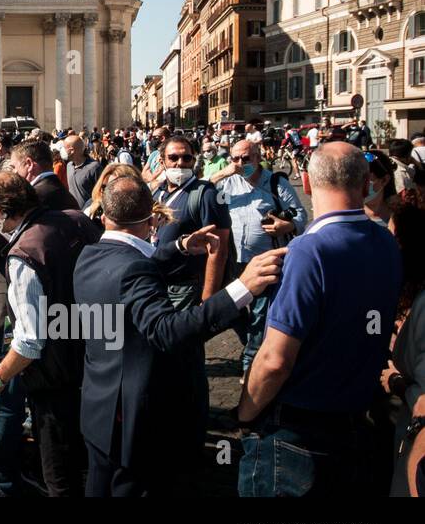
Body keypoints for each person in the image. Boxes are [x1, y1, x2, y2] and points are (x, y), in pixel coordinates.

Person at [74, 176, 282, 496]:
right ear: (153, 219)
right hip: (132, 420)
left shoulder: (90, 255)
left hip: (99, 407)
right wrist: (241, 290)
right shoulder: (132, 270)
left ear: (104, 217)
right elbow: (167, 331)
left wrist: (181, 247)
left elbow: (132, 268)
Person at [236, 142, 403, 497]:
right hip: (356, 419)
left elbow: (276, 359)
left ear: (307, 184)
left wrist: (246, 414)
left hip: (299, 429)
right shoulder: (385, 240)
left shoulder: (309, 250)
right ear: (364, 185)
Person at [0, 172, 100, 496]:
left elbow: (29, 339)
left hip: (55, 376)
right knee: (88, 461)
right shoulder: (75, 220)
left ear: (0, 210)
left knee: (59, 474)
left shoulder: (23, 255)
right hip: (96, 359)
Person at [215, 137, 308, 378]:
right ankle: (253, 342)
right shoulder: (228, 183)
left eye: (246, 158)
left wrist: (285, 227)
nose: (240, 163)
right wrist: (223, 173)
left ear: (258, 158)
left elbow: (301, 216)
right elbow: (202, 189)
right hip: (234, 261)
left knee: (259, 312)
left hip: (266, 260)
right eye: (235, 158)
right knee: (230, 311)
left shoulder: (276, 182)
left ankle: (250, 365)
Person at [10, 139, 78, 211]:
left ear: (29, 164)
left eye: (14, 167)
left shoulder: (30, 200)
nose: (13, 172)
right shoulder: (66, 195)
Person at [62, 134, 101, 210]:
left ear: (72, 150)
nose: (62, 150)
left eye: (64, 148)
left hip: (88, 217)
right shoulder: (69, 166)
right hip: (73, 214)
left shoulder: (94, 167)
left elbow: (100, 193)